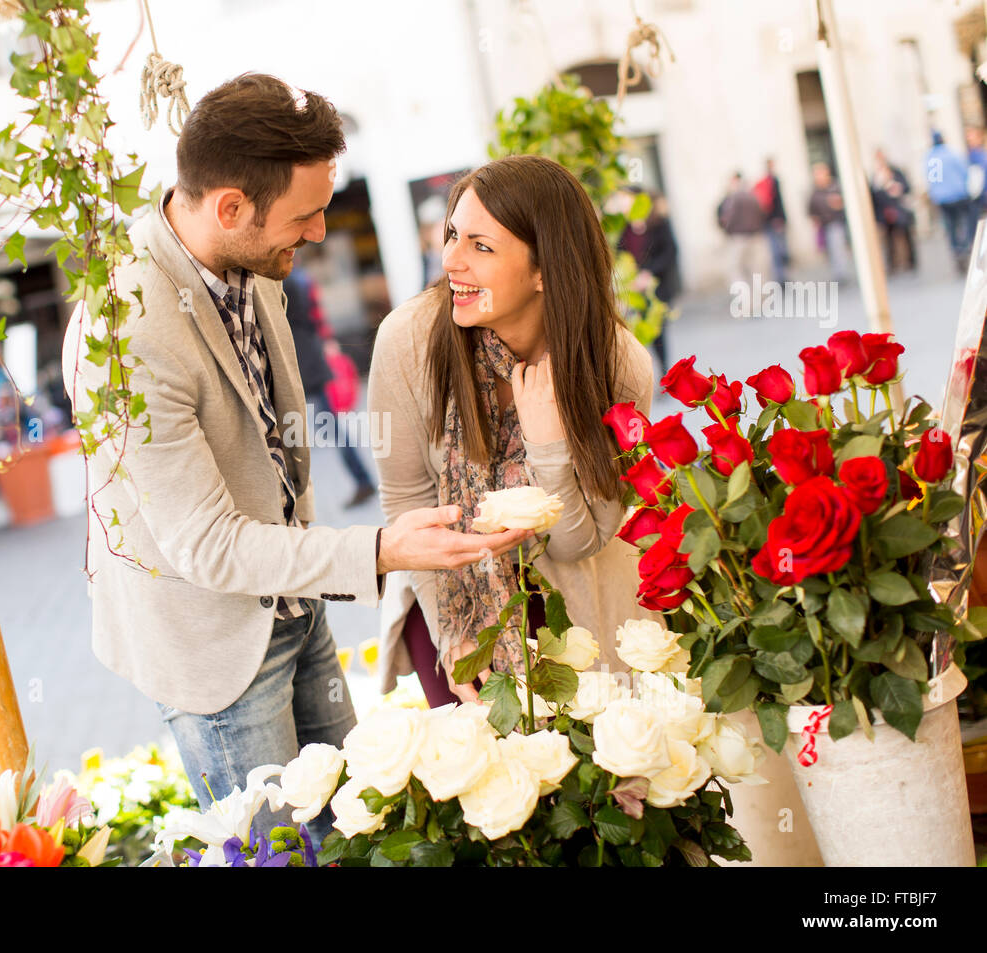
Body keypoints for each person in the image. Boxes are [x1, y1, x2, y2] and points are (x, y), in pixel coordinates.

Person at [60, 74, 531, 839]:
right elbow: (205, 545)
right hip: (213, 645)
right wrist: (382, 549)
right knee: (282, 855)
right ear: (230, 208)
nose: (318, 233)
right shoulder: (125, 330)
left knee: (355, 832)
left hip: (295, 607)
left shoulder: (253, 261)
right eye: (306, 215)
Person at [367, 154, 658, 708]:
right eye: (452, 235)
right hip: (447, 603)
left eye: (481, 246)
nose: (450, 259)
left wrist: (549, 443)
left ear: (545, 268)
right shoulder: (408, 340)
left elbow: (580, 542)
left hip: (567, 604)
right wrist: (453, 636)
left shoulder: (617, 365)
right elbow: (406, 497)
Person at [281, 264, 377, 508]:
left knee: (328, 429)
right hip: (308, 358)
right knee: (326, 429)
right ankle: (362, 480)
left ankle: (362, 480)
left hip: (305, 363)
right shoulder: (299, 277)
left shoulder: (287, 280)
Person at [618, 189, 680, 371]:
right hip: (633, 290)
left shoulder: (659, 224)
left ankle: (664, 370)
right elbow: (620, 253)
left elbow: (669, 252)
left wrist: (648, 272)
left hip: (656, 288)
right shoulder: (625, 228)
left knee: (657, 331)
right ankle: (645, 374)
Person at [924, 131, 974, 272]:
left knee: (950, 225)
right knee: (962, 222)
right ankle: (964, 247)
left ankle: (955, 249)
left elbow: (931, 179)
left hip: (942, 198)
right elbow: (965, 172)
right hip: (958, 195)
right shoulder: (952, 154)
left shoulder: (930, 158)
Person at [716, 172, 767, 291]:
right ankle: (760, 293)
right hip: (754, 236)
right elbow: (762, 213)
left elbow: (726, 219)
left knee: (735, 268)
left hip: (738, 238)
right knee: (754, 267)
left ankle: (744, 297)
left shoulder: (732, 199)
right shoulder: (754, 197)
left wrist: (726, 229)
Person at [871, 149, 916, 274]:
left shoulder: (896, 172)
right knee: (889, 240)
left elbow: (906, 187)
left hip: (899, 209)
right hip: (885, 211)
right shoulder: (875, 176)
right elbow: (873, 196)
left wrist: (897, 188)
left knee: (906, 236)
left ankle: (910, 262)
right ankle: (893, 264)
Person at [807, 162, 850, 283]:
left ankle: (841, 274)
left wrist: (837, 204)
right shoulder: (815, 191)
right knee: (830, 251)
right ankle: (837, 272)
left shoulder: (835, 186)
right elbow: (811, 208)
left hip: (835, 222)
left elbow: (843, 203)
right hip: (823, 225)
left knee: (837, 247)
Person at [754, 158, 789, 286]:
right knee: (779, 251)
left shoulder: (768, 181)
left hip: (769, 221)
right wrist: (779, 218)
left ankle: (781, 277)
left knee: (777, 251)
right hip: (774, 221)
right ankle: (781, 278)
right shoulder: (772, 181)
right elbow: (777, 203)